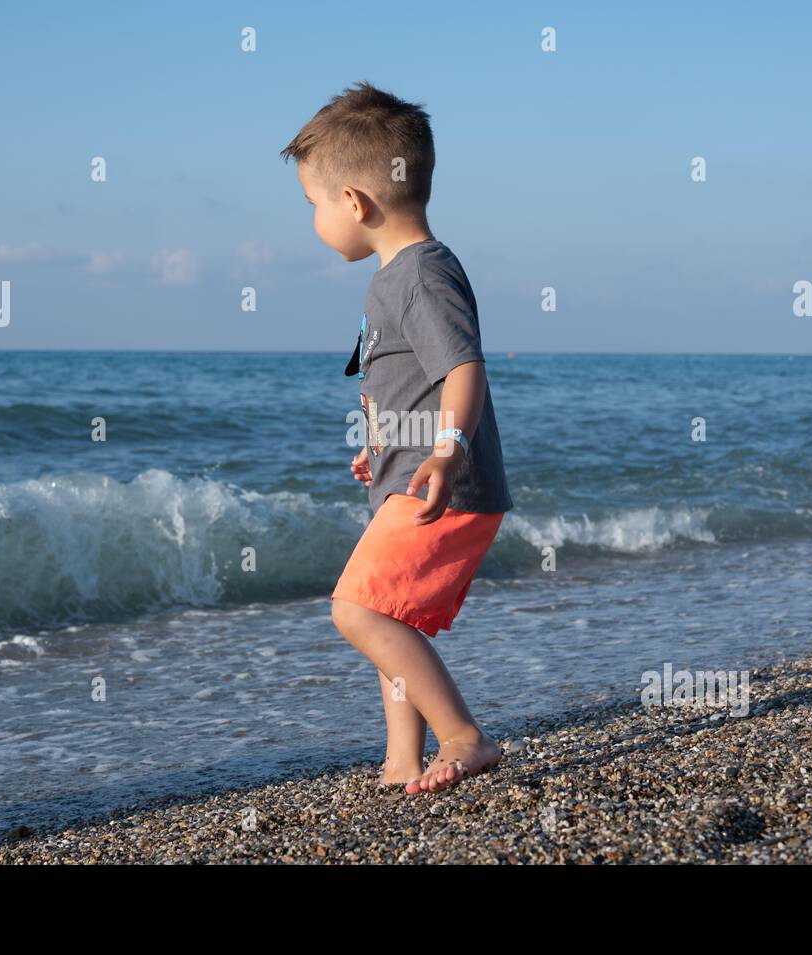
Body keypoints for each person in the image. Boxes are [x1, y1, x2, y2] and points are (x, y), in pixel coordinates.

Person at [280, 81, 514, 794]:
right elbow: (406, 382)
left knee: (360, 609)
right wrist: (382, 442)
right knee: (391, 621)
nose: (315, 221)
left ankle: (464, 735)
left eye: (314, 205)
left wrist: (448, 448)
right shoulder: (397, 277)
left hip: (442, 481)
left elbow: (462, 367)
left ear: (354, 202)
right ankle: (400, 760)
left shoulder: (420, 275)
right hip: (407, 473)